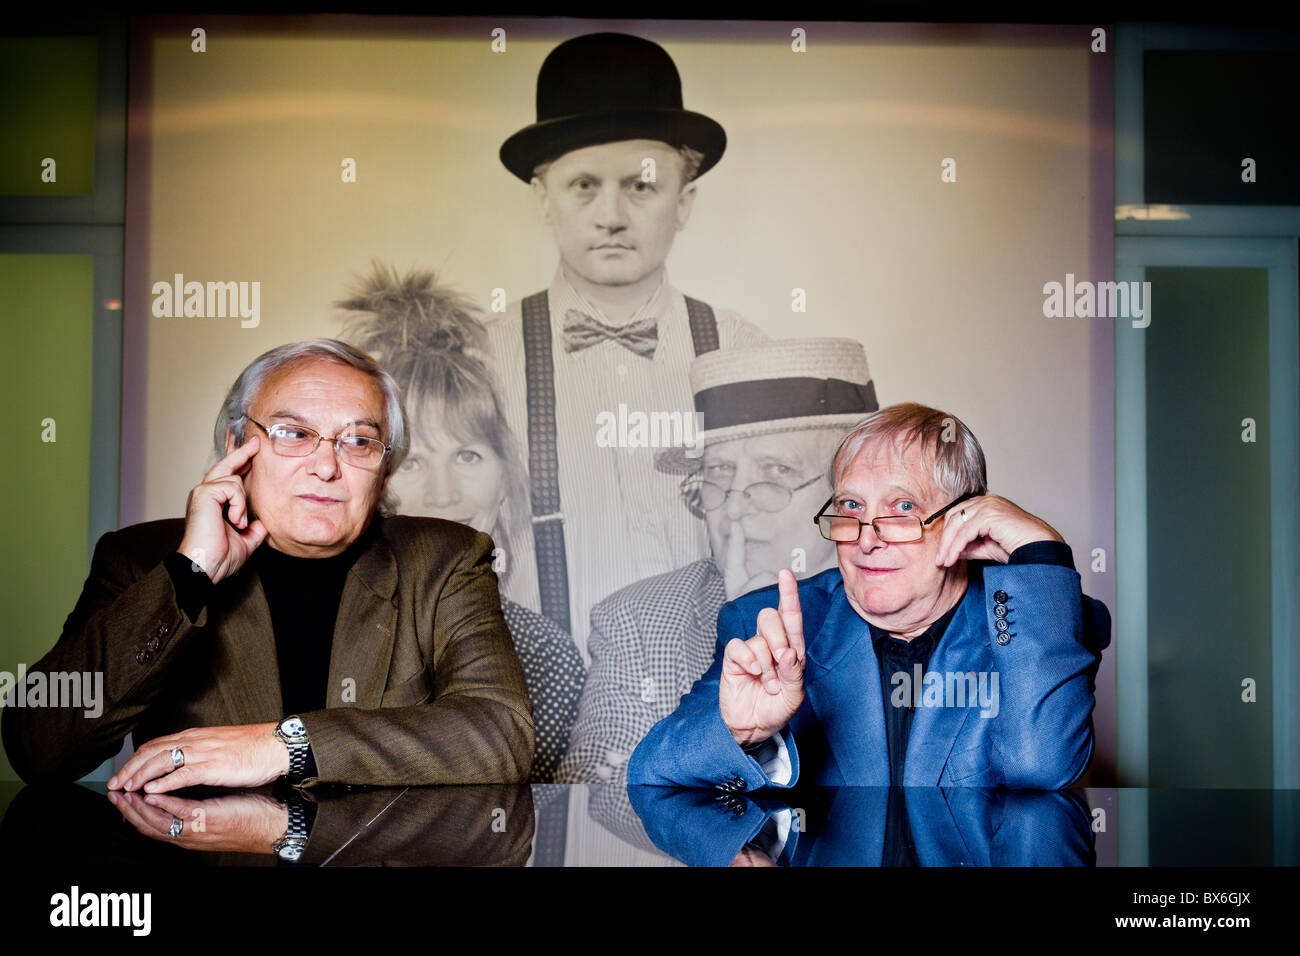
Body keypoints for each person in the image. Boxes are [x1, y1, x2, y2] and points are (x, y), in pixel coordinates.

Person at [2, 340, 534, 808]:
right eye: (292, 433)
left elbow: (499, 733)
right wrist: (192, 574)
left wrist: (285, 746)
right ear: (237, 447)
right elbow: (39, 750)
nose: (326, 466)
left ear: (384, 467)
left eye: (358, 442)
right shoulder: (141, 557)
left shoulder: (445, 560)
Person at [628, 402, 1111, 790]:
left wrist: (1041, 552)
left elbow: (1042, 768)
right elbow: (650, 770)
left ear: (967, 519)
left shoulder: (1038, 621)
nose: (865, 538)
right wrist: (739, 735)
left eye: (903, 507)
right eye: (851, 507)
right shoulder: (763, 620)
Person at [489, 31, 768, 657]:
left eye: (641, 185)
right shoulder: (480, 361)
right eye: (583, 185)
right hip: (539, 718)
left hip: (714, 710)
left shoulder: (741, 350)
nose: (610, 214)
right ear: (542, 198)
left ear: (684, 200)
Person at [558, 339, 877, 844]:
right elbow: (601, 784)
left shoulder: (904, 612)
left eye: (777, 472)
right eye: (719, 474)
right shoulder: (635, 620)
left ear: (847, 495)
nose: (733, 509)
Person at [337, 263, 585, 782]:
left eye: (468, 456)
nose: (443, 493)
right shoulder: (315, 621)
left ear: (505, 480)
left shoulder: (545, 657)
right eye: (416, 461)